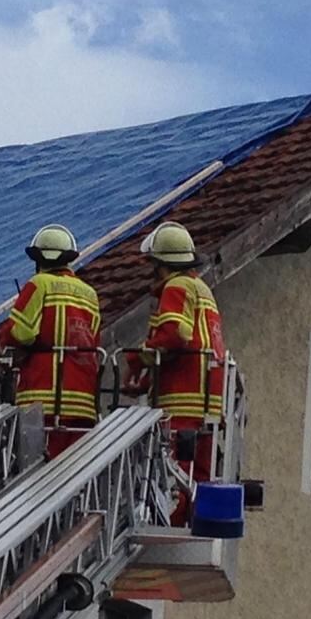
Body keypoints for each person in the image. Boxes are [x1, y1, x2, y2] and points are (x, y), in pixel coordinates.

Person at [126, 221, 226, 525]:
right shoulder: (202, 288)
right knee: (199, 476)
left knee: (175, 472)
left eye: (153, 265)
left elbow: (174, 334)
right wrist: (146, 379)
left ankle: (173, 521)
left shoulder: (177, 286)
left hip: (182, 399)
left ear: (161, 265)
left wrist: (138, 358)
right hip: (208, 398)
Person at [0, 224, 101, 459]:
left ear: (38, 259)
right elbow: (94, 340)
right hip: (83, 402)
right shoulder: (90, 294)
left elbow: (21, 333)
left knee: (39, 476)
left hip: (41, 398)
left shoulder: (39, 284)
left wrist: (6, 338)